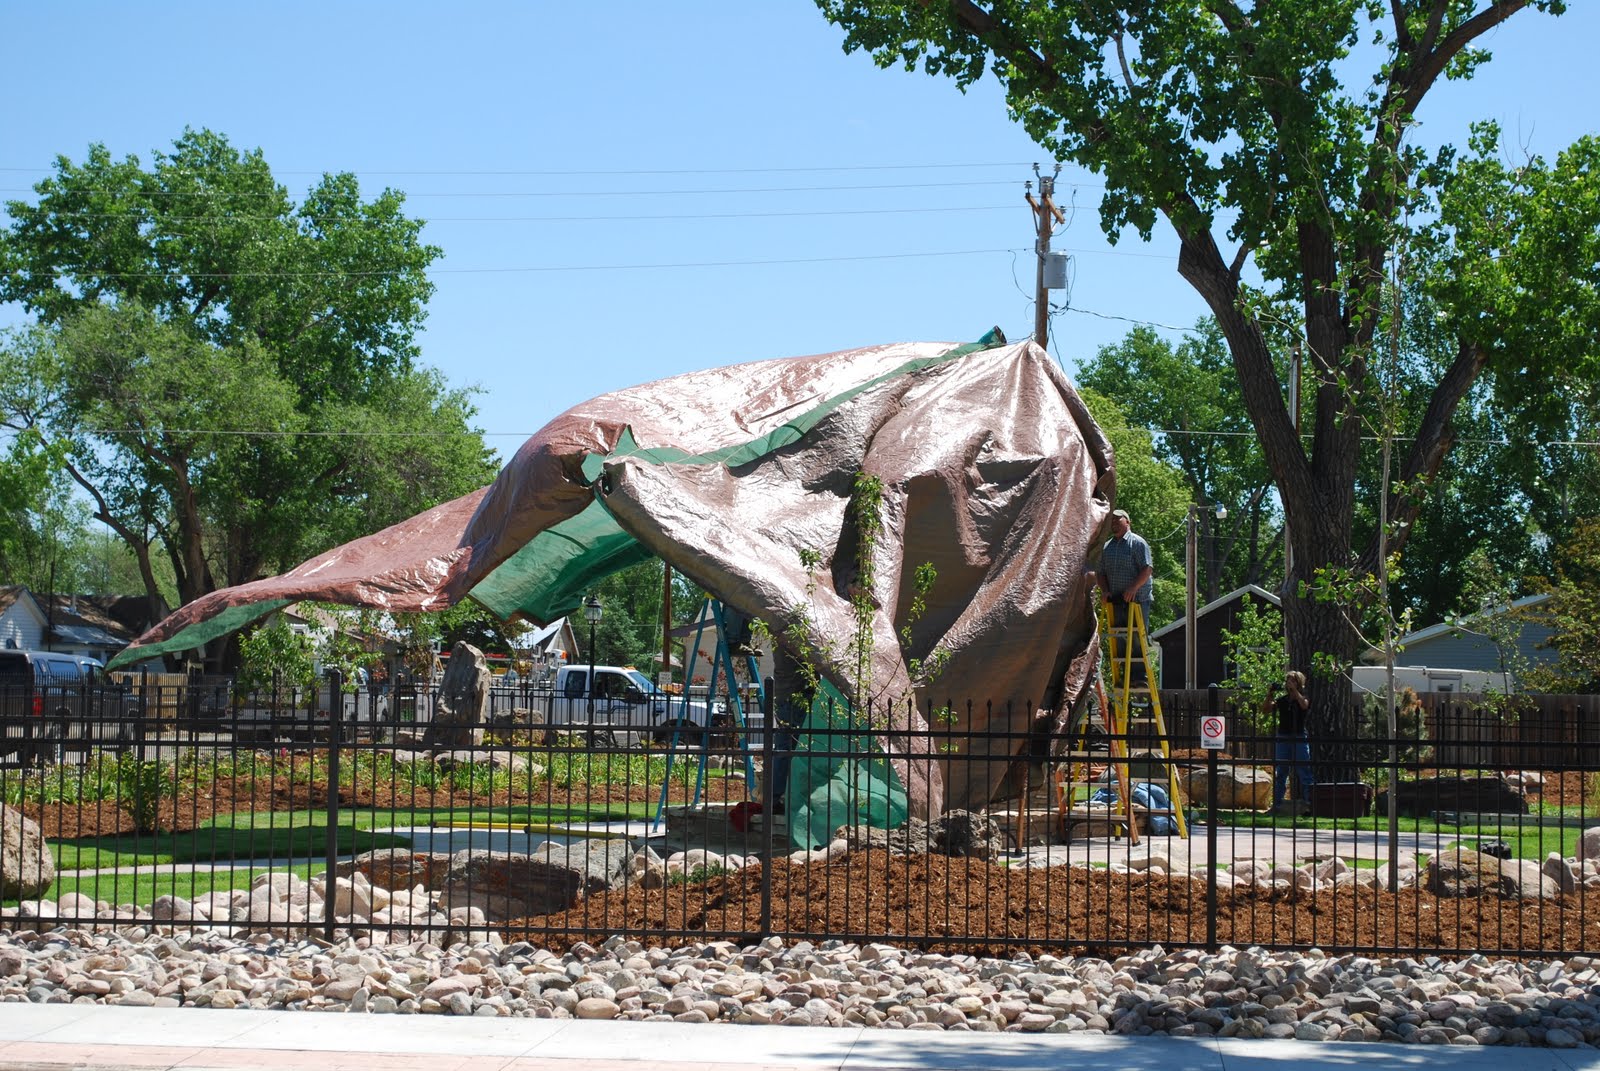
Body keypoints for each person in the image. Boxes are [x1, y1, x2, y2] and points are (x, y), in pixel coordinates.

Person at [1095, 508, 1154, 630]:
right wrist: (1105, 591)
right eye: (1112, 519)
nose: (1114, 522)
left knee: (1137, 641)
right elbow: (1100, 572)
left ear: (1127, 522)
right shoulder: (1107, 547)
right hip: (1116, 601)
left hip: (1137, 600)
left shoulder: (1137, 543)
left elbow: (1147, 568)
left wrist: (1133, 588)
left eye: (1117, 518)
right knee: (1119, 640)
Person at [1268, 669, 1315, 811]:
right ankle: (1276, 805)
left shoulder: (1304, 697)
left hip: (1299, 737)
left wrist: (1295, 691)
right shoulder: (1282, 700)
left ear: (1299, 683)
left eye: (1293, 680)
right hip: (1283, 737)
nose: (1289, 683)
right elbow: (1266, 709)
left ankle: (1309, 805)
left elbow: (1304, 705)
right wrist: (1269, 693)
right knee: (1281, 772)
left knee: (1304, 772)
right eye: (1288, 680)